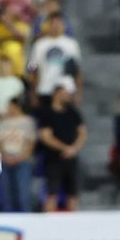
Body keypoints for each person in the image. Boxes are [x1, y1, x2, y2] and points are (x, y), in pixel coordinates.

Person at [38, 81, 86, 211]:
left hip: (71, 158)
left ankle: (72, 222)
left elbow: (82, 133)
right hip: (53, 159)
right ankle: (48, 220)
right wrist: (65, 148)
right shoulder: (46, 113)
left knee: (73, 194)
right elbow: (46, 137)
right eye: (64, 93)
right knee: (51, 194)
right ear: (56, 94)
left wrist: (74, 149)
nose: (67, 96)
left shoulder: (73, 112)